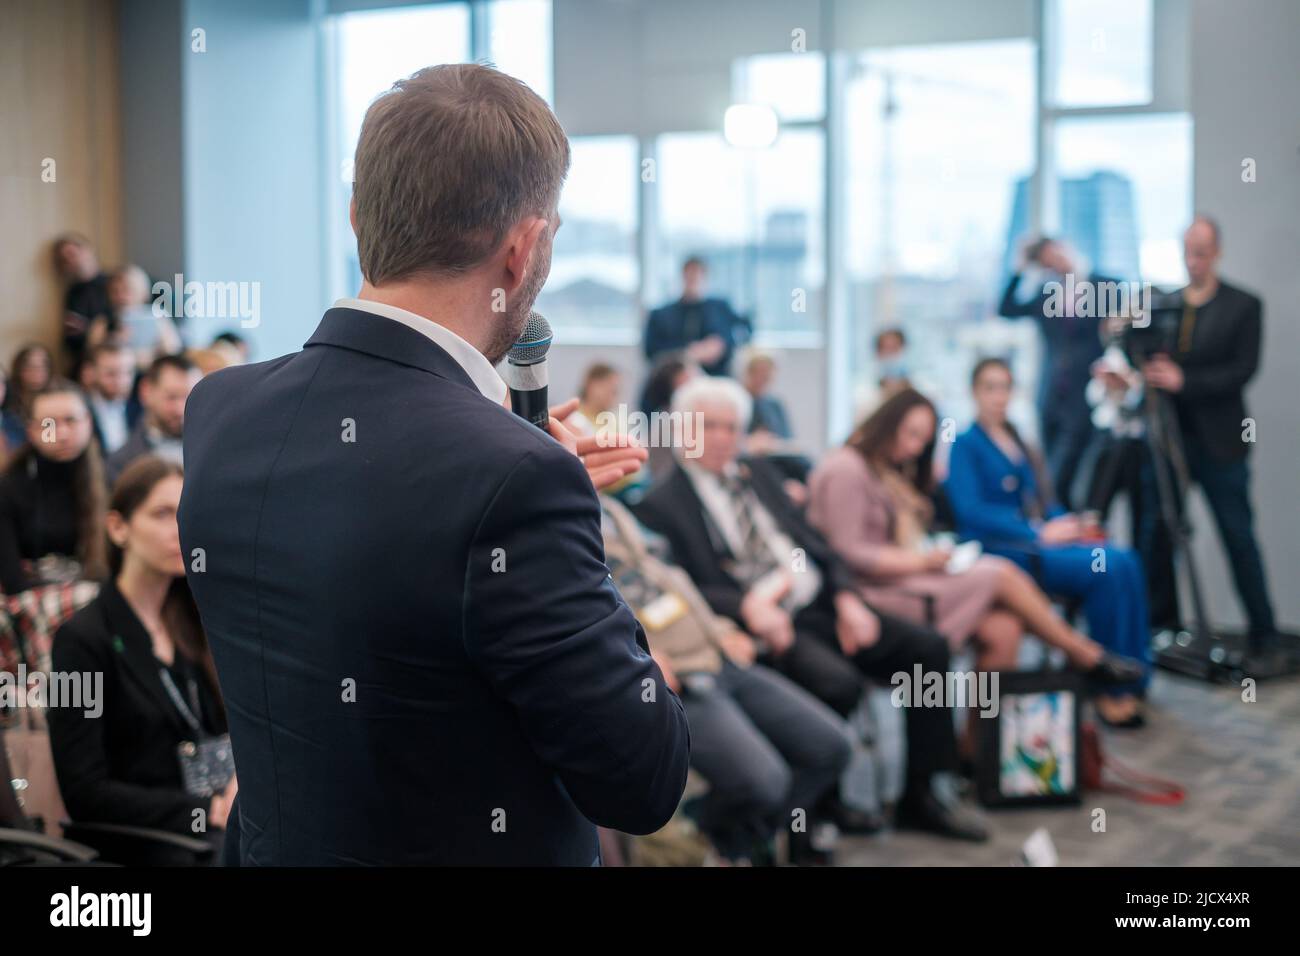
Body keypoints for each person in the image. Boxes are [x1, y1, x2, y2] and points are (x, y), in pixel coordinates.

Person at [177, 64, 687, 866]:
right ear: (526, 250)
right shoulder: (519, 480)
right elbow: (642, 780)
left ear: (356, 219)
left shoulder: (220, 410)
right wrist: (567, 532)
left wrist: (523, 502)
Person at [634, 375, 988, 841]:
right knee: (834, 682)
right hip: (766, 622)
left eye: (731, 427)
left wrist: (845, 598)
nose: (722, 437)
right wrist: (748, 603)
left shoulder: (758, 472)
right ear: (683, 429)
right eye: (710, 426)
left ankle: (921, 795)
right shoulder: (661, 503)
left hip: (819, 602)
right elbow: (686, 588)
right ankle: (818, 811)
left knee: (928, 650)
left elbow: (813, 542)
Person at [810, 386, 1147, 729]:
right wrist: (924, 562)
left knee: (1005, 629)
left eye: (922, 440)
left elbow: (1042, 501)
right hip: (874, 591)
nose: (914, 448)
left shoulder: (1014, 445)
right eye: (910, 434)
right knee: (998, 572)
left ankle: (978, 753)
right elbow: (846, 553)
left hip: (909, 575)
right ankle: (1083, 654)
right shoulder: (847, 469)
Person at [601, 494, 852, 864]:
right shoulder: (557, 522)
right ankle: (711, 832)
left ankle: (728, 836)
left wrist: (720, 629)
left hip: (721, 657)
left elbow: (668, 579)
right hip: (679, 679)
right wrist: (636, 655)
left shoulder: (613, 510)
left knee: (830, 746)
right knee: (766, 783)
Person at [945, 360, 1152, 727]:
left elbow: (1044, 500)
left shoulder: (1020, 441)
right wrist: (1035, 531)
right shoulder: (965, 445)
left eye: (1005, 387)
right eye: (990, 388)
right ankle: (1107, 688)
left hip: (1041, 540)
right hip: (1008, 551)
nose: (999, 397)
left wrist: (1066, 523)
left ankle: (1134, 675)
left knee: (1125, 560)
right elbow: (971, 512)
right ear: (974, 393)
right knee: (1103, 570)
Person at [48, 457, 235, 860]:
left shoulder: (195, 620)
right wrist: (205, 811)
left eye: (186, 513)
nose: (180, 529)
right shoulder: (79, 640)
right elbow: (84, 792)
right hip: (150, 838)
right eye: (163, 514)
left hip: (216, 822)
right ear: (118, 528)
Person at [1137, 216, 1278, 645]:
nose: (1193, 261)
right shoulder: (1168, 305)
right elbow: (1145, 357)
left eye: (1201, 252)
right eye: (1187, 252)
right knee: (1159, 533)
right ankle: (1163, 627)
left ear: (1217, 251)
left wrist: (1186, 381)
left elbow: (1242, 370)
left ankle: (1264, 635)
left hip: (1221, 442)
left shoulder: (1243, 305)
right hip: (1172, 440)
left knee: (1238, 535)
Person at [998, 237, 1114, 509]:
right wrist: (1020, 268)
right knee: (1049, 476)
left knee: (1062, 478)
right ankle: (1062, 531)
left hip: (1085, 397)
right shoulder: (1047, 293)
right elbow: (1007, 309)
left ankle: (1066, 532)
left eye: (1055, 254)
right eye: (1046, 261)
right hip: (1050, 398)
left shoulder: (1105, 286)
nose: (1054, 263)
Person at [0, 380, 108, 595]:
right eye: (49, 424)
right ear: (31, 430)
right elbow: (13, 582)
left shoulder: (109, 480)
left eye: (71, 420)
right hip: (31, 601)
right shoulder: (8, 489)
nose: (63, 433)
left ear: (88, 421)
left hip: (94, 596)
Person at [104, 354, 200, 487]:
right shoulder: (121, 464)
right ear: (146, 392)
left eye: (189, 398)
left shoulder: (210, 450)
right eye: (171, 397)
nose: (180, 409)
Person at [644, 257, 744, 376]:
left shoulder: (721, 308)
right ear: (682, 276)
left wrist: (721, 344)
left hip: (716, 378)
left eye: (697, 274)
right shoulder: (662, 314)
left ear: (705, 277)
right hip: (674, 378)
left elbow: (744, 331)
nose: (693, 279)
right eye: (689, 274)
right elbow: (650, 351)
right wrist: (688, 353)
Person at [52, 233, 111, 374]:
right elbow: (71, 341)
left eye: (73, 253)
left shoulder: (113, 283)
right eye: (65, 260)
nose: (72, 260)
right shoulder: (73, 293)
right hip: (86, 361)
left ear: (88, 250)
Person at [83, 342, 142, 456]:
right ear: (92, 372)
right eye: (111, 373)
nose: (121, 380)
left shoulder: (142, 406)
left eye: (128, 373)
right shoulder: (81, 408)